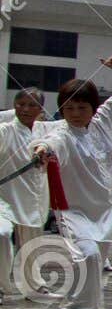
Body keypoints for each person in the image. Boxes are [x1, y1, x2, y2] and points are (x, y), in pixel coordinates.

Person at [28, 61, 112, 309]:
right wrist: (42, 149)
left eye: (82, 107)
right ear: (62, 108)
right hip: (73, 209)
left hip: (104, 208)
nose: (75, 113)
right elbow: (49, 142)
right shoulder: (62, 134)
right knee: (86, 255)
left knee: (96, 261)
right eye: (69, 108)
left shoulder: (104, 123)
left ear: (93, 107)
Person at [1, 87, 51, 298]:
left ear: (40, 108)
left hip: (34, 196)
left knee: (32, 244)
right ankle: (2, 286)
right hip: (5, 196)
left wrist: (45, 149)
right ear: (14, 106)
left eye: (32, 105)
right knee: (2, 235)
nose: (25, 109)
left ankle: (33, 285)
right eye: (21, 104)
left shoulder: (46, 130)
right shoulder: (5, 130)